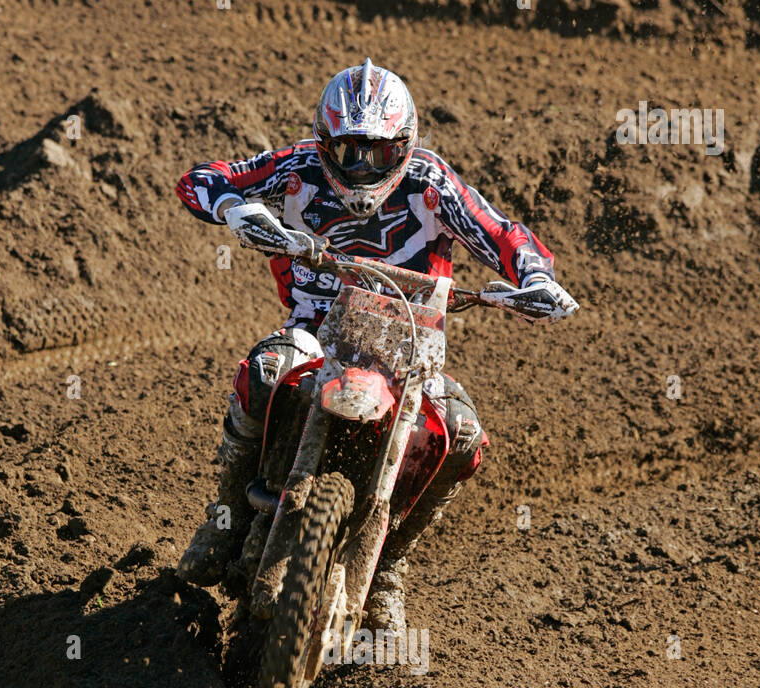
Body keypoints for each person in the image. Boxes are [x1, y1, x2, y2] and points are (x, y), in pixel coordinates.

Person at [175, 59, 577, 631]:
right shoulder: (297, 169)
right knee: (265, 371)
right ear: (324, 142)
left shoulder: (432, 184)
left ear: (406, 146)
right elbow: (200, 180)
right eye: (347, 151)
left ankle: (387, 566)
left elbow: (503, 233)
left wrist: (534, 278)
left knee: (462, 436)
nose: (362, 167)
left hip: (407, 346)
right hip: (317, 328)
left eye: (380, 152)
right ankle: (225, 518)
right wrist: (235, 208)